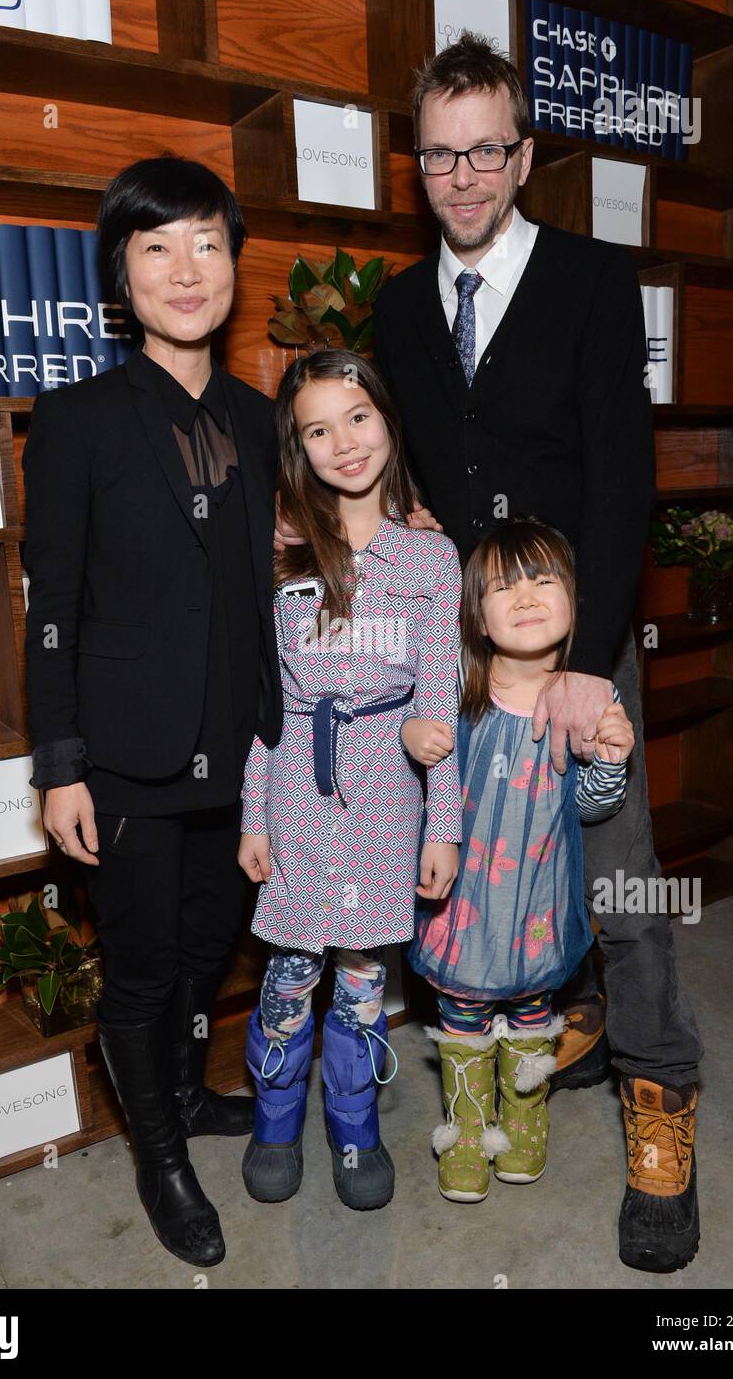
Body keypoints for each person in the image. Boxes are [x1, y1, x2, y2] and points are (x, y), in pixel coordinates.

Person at [370, 32, 703, 1270]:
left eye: (486, 151)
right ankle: (529, 1026)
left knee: (616, 874)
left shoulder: (593, 283)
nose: (463, 177)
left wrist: (588, 657)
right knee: (482, 863)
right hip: (460, 660)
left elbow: (624, 480)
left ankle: (661, 1096)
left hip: (572, 641)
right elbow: (411, 465)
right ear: (418, 165)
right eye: (439, 154)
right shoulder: (402, 305)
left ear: (523, 155)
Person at [21, 154, 283, 1268]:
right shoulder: (76, 420)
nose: (187, 269)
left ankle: (182, 1088)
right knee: (138, 965)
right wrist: (60, 759)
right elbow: (51, 605)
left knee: (205, 946)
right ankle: (160, 1156)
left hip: (243, 749)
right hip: (122, 758)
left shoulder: (265, 421)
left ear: (232, 262)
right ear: (120, 278)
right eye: (157, 246)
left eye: (208, 243)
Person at [237, 348, 462, 1211]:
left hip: (387, 798)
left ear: (388, 423)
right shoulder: (284, 557)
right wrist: (255, 817)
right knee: (291, 972)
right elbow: (269, 708)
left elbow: (440, 709)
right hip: (296, 789)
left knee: (364, 980)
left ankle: (357, 1130)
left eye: (357, 417)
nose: (343, 442)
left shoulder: (430, 562)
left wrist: (442, 826)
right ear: (299, 449)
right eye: (317, 429)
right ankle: (275, 1120)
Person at [403, 517, 632, 1202]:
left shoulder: (590, 699)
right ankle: (468, 1136)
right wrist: (411, 733)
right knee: (464, 1016)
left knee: (533, 1012)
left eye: (544, 579)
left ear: (575, 600)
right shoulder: (456, 689)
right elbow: (412, 779)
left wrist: (611, 763)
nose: (526, 596)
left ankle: (524, 1125)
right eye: (504, 586)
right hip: (465, 905)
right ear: (474, 613)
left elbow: (591, 808)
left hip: (539, 901)